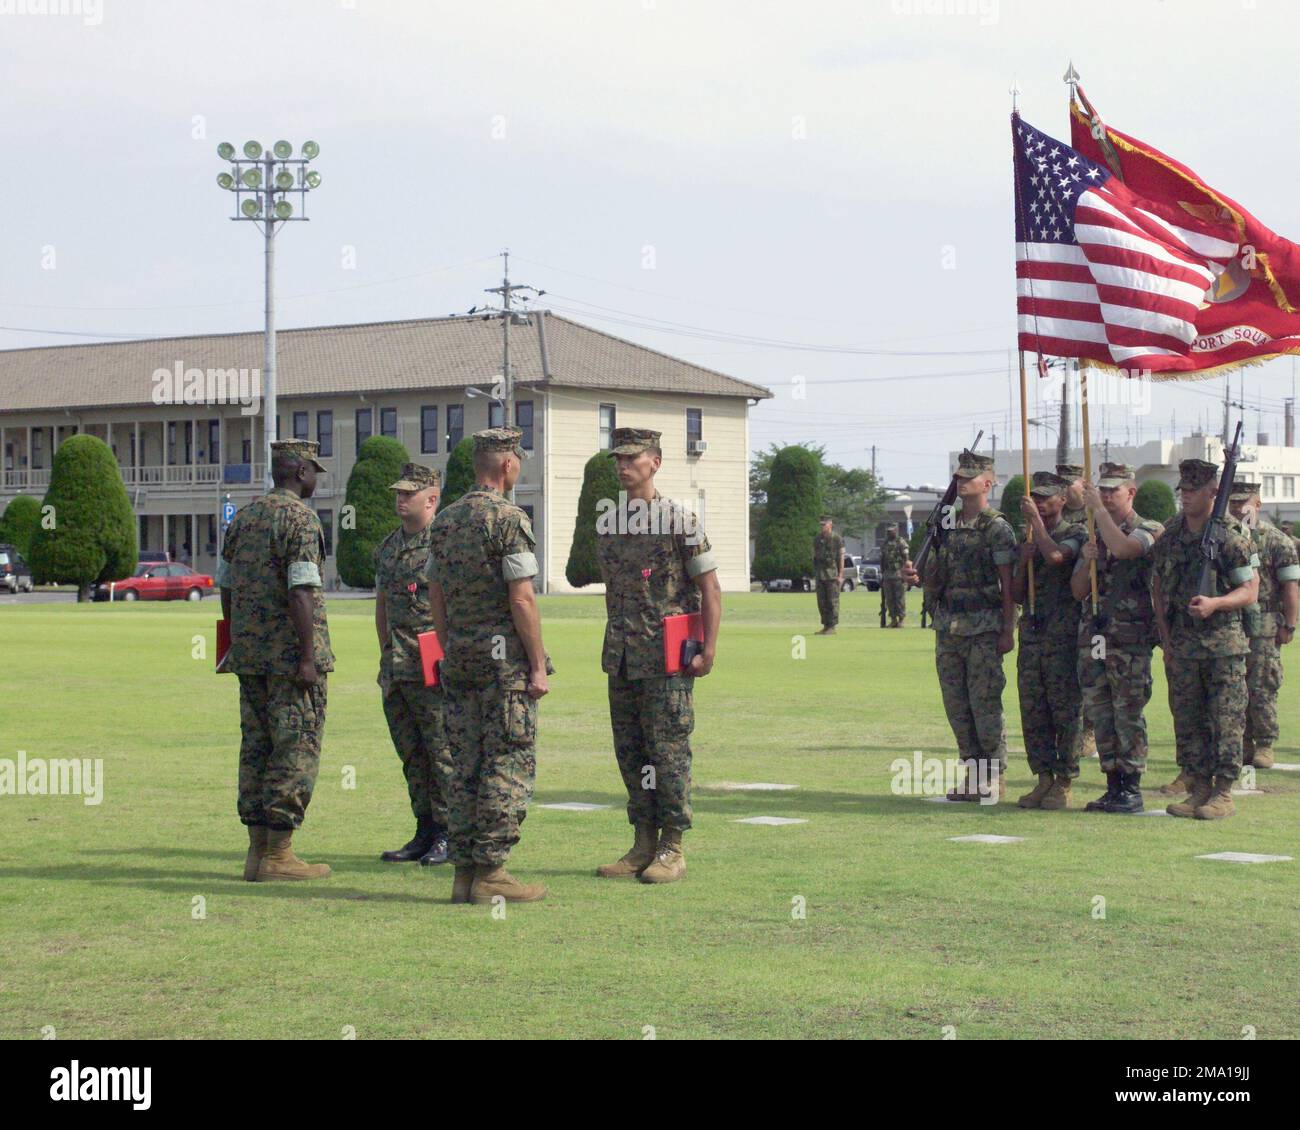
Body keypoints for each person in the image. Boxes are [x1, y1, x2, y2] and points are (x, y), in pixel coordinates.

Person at [426, 428, 553, 903]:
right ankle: (493, 872)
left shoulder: (445, 522)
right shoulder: (508, 520)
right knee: (507, 762)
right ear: (507, 466)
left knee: (465, 766)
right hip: (504, 668)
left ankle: (464, 875)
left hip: (460, 659)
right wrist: (537, 664)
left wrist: (449, 644)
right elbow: (521, 597)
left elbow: (434, 594)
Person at [595, 427, 721, 884]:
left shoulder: (679, 521)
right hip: (624, 658)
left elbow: (710, 588)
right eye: (618, 459)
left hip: (668, 661)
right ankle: (642, 842)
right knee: (632, 755)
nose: (623, 466)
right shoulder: (609, 525)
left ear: (656, 463)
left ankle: (672, 846)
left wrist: (708, 649)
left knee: (668, 753)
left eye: (633, 458)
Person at [217, 438, 333, 882]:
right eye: (313, 472)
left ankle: (256, 852)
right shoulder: (300, 519)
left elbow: (225, 584)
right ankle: (280, 854)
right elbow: (301, 588)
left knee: (257, 747)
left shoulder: (245, 517)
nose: (315, 480)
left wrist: (238, 636)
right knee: (295, 747)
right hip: (289, 659)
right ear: (300, 473)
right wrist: (308, 656)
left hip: (250, 655)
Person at [901, 451, 1017, 801]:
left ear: (988, 482)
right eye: (959, 476)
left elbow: (1007, 584)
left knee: (985, 703)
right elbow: (937, 574)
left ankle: (994, 775)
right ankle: (972, 771)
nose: (961, 481)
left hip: (983, 626)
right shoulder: (945, 525)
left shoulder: (997, 527)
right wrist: (919, 576)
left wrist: (1008, 629)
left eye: (969, 477)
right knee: (957, 704)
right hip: (948, 626)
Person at [1151, 458, 1258, 820]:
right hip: (1182, 645)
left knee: (1226, 720)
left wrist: (1216, 603)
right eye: (1182, 489)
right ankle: (1197, 788)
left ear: (1213, 492)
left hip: (1223, 647)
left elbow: (1249, 591)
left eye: (1193, 489)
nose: (1186, 496)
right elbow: (1158, 588)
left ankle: (1223, 792)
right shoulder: (1172, 534)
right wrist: (1166, 638)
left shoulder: (1231, 536)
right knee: (1188, 719)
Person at [1072, 464, 1164, 813]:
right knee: (1100, 712)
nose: (1107, 496)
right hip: (1095, 635)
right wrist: (1085, 560)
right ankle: (1112, 782)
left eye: (1114, 490)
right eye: (1103, 490)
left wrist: (1096, 512)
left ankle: (1132, 785)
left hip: (1129, 637)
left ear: (1131, 492)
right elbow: (1078, 590)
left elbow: (1126, 549)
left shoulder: (1149, 528)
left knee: (1128, 711)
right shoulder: (1090, 532)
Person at [375, 463, 452, 865]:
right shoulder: (389, 546)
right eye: (398, 493)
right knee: (412, 754)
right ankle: (424, 830)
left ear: (432, 498)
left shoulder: (445, 542)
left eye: (409, 494)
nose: (401, 500)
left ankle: (449, 833)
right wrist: (385, 656)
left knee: (441, 752)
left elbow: (454, 605)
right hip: (398, 667)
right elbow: (383, 605)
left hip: (433, 666)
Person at [1012, 472, 1086, 810]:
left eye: (1046, 497)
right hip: (1032, 633)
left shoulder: (1075, 532)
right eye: (1035, 498)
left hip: (1064, 635)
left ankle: (1064, 781)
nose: (1039, 503)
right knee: (1033, 709)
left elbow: (1057, 557)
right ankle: (1042, 777)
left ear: (1062, 500)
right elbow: (1015, 594)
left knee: (1065, 709)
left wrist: (1036, 529)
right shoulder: (1027, 537)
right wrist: (1023, 560)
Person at [1227, 479, 1299, 770]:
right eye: (1233, 502)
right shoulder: (1225, 537)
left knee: (1262, 685)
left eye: (1243, 502)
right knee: (1234, 685)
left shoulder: (1276, 540)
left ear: (1258, 505)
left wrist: (1290, 624)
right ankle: (1242, 742)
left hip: (1265, 623)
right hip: (1232, 623)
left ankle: (1264, 743)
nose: (1237, 507)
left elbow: (1290, 586)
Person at [812, 516, 844, 635]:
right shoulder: (817, 539)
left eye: (824, 524)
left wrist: (840, 575)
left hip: (832, 575)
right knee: (821, 602)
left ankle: (832, 626)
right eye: (821, 524)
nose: (822, 527)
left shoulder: (837, 539)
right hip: (820, 575)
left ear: (830, 524)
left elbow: (840, 558)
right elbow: (814, 557)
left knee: (832, 601)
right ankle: (825, 625)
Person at [880, 524, 909, 627]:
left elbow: (906, 558)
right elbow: (882, 560)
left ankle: (901, 619)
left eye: (891, 531)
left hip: (898, 574)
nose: (889, 533)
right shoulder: (885, 543)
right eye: (888, 531)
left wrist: (905, 573)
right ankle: (893, 619)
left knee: (899, 598)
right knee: (889, 599)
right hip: (887, 575)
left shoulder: (901, 542)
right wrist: (882, 574)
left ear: (896, 531)